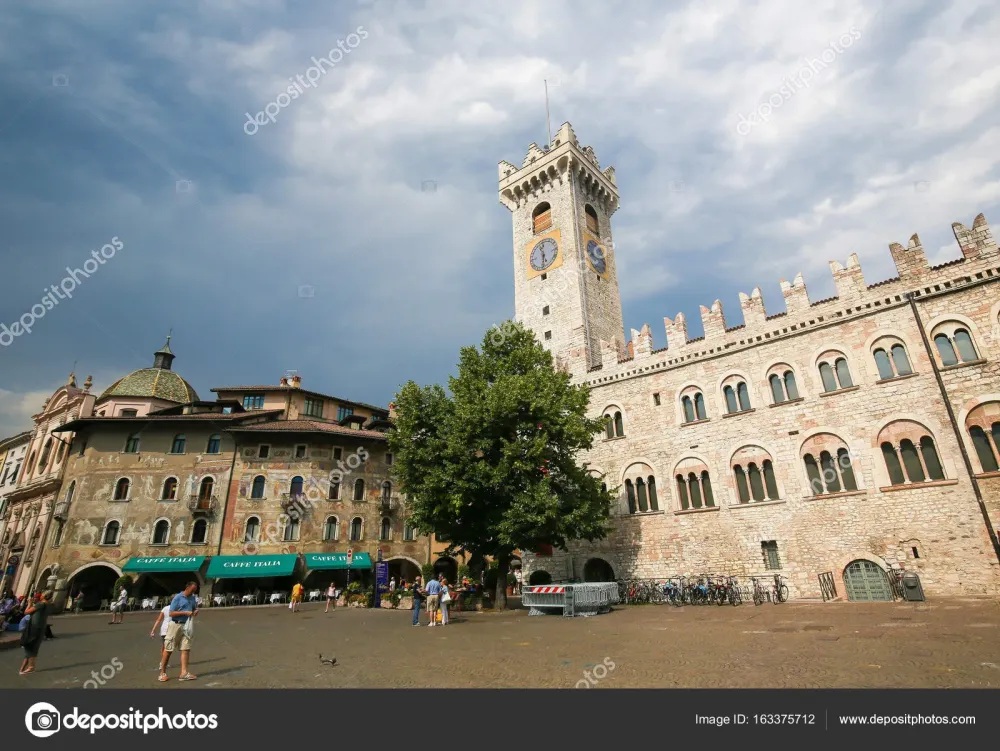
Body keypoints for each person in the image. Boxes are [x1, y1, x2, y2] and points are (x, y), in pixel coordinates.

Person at [159, 581, 198, 682]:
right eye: (193, 589)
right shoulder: (178, 597)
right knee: (168, 649)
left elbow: (193, 608)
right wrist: (185, 612)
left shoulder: (193, 598)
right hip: (175, 625)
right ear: (187, 587)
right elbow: (171, 613)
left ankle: (184, 673)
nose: (194, 591)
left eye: (195, 589)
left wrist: (194, 612)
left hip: (186, 625)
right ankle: (162, 673)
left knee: (186, 648)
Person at [18, 591, 52, 676]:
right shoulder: (48, 604)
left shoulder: (40, 605)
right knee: (33, 646)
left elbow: (26, 612)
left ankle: (31, 667)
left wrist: (29, 603)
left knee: (30, 645)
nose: (40, 596)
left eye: (42, 595)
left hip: (34, 627)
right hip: (41, 627)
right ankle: (24, 668)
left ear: (44, 596)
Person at [150, 602, 172, 671]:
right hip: (170, 629)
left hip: (163, 629)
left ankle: (163, 662)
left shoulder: (165, 608)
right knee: (167, 648)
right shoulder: (176, 608)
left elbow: (158, 620)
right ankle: (162, 663)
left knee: (164, 646)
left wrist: (153, 630)